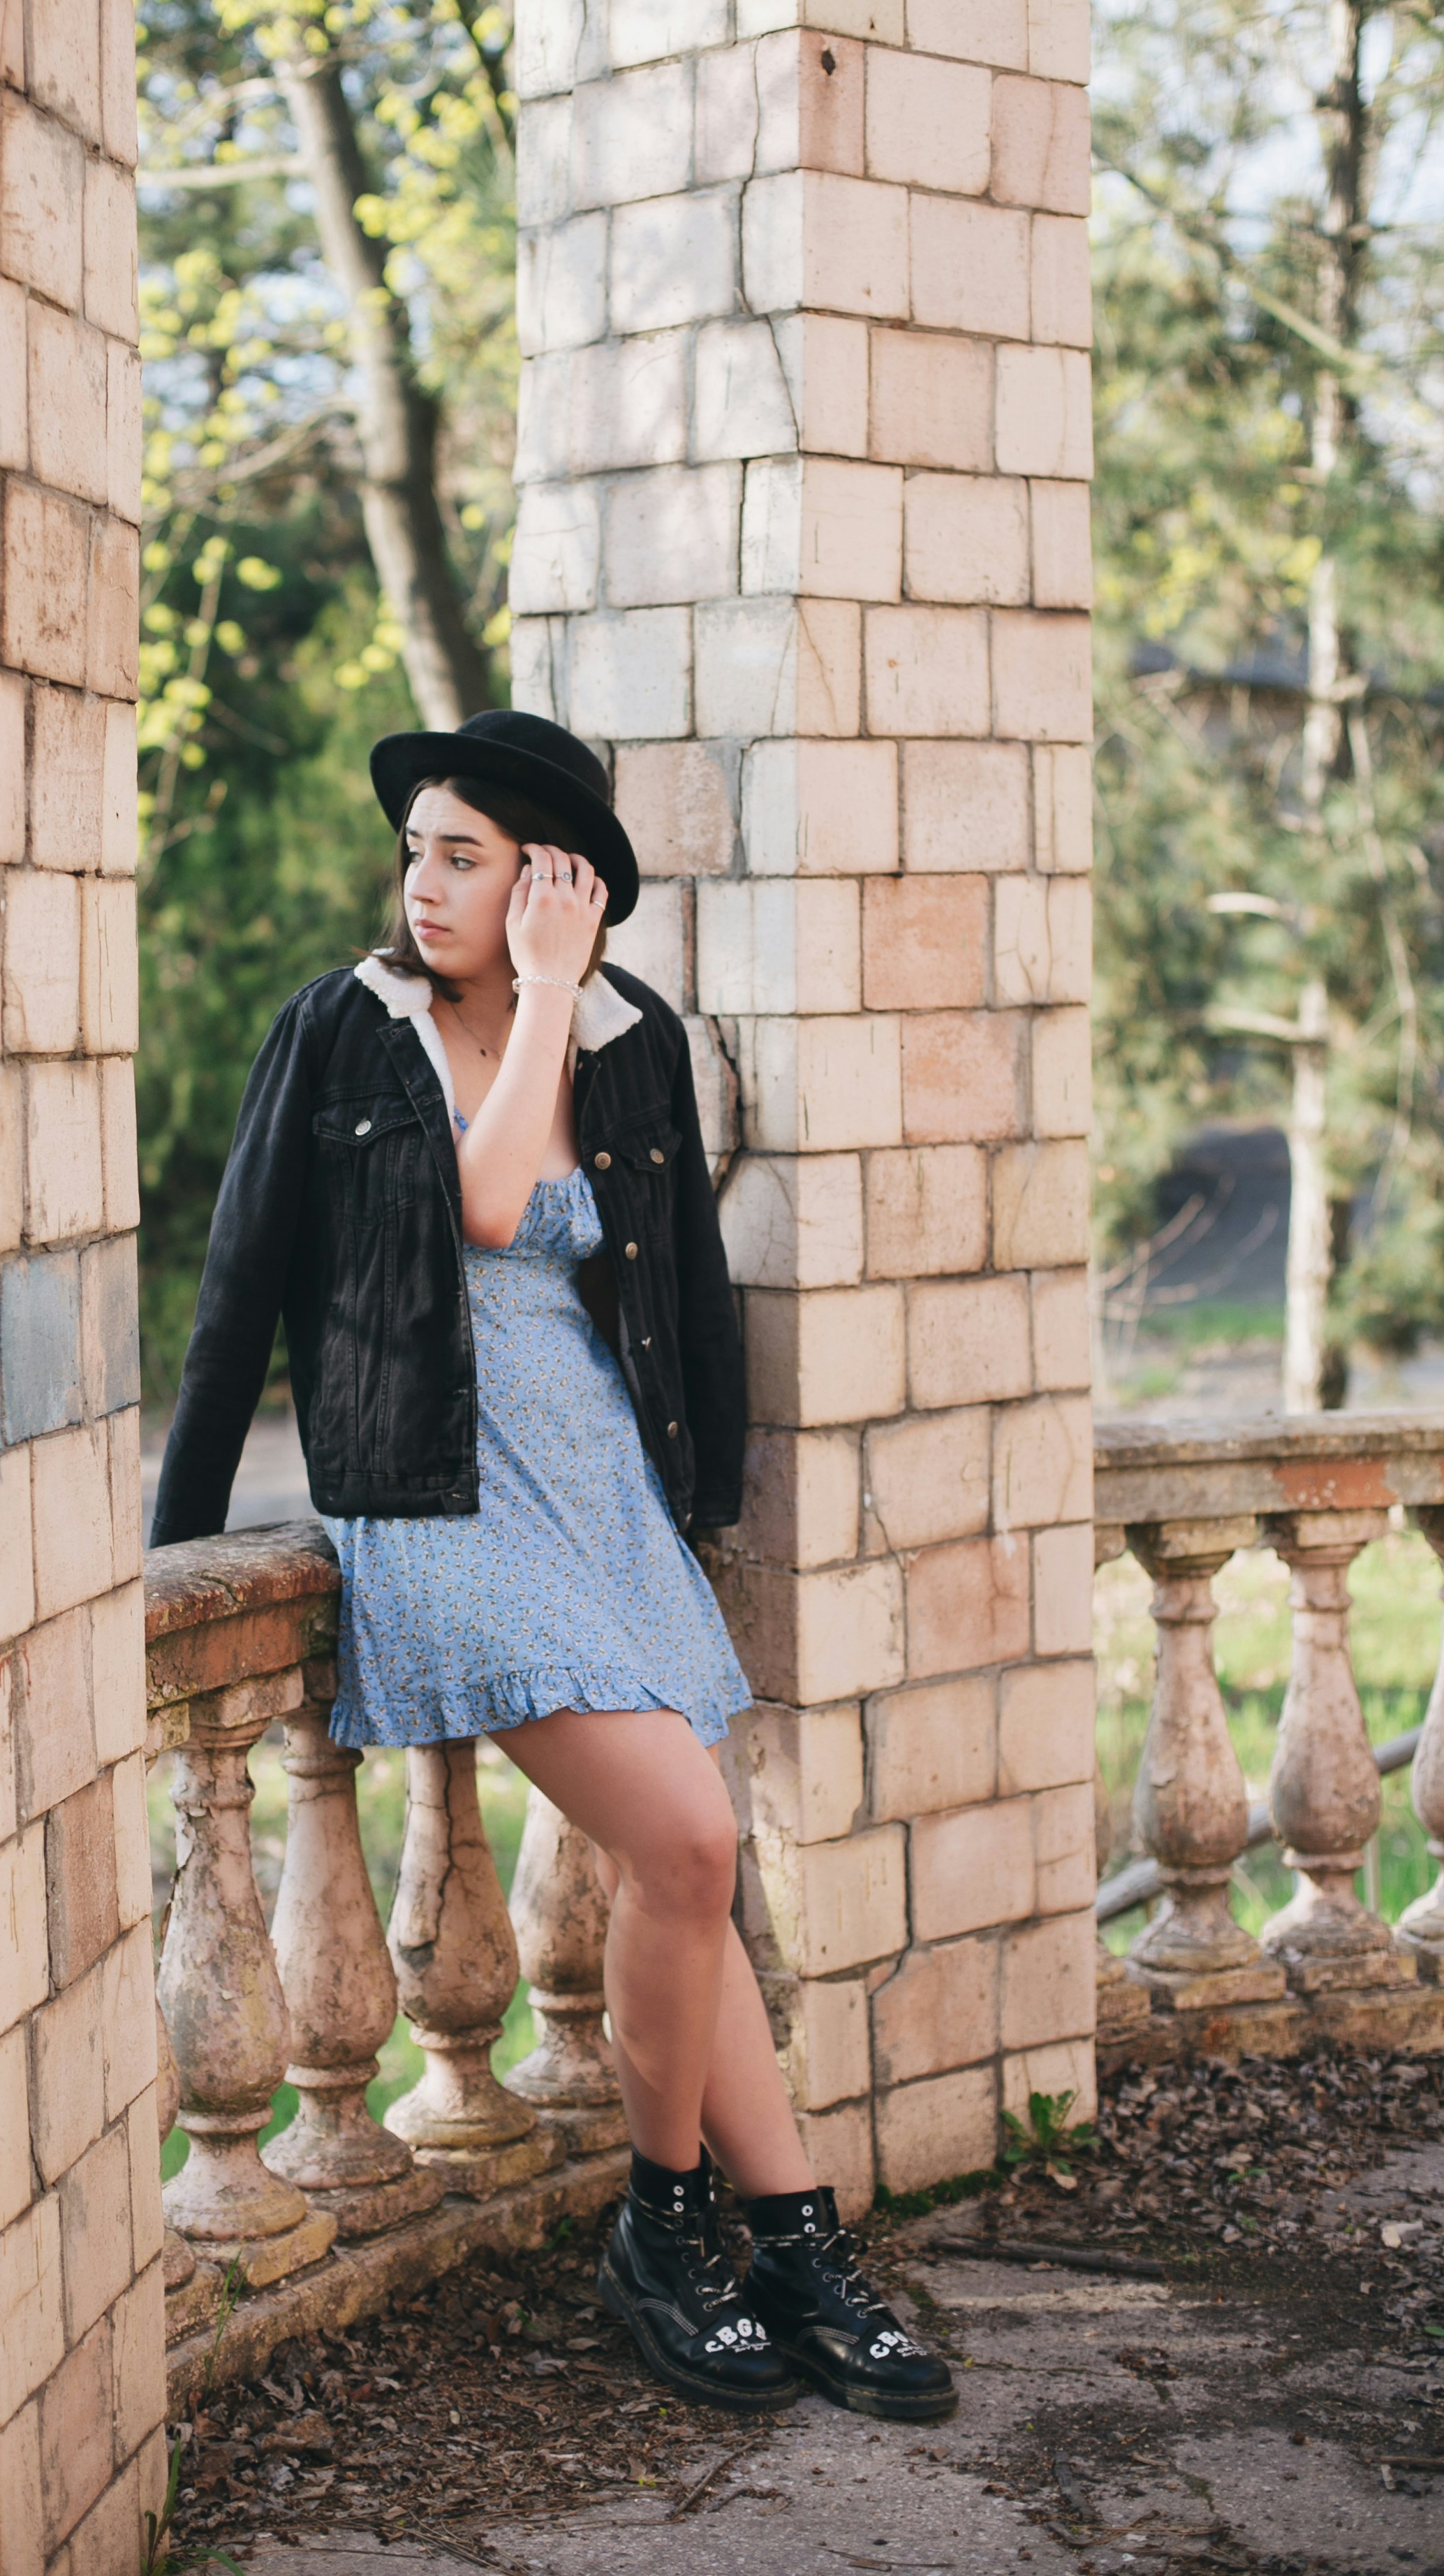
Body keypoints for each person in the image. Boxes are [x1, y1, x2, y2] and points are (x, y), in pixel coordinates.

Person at [152, 709, 955, 2425]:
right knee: (686, 1840)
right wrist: (179, 1545)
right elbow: (438, 1226)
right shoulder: (345, 1031)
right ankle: (664, 2236)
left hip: (601, 1495)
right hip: (435, 1500)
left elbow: (676, 1296)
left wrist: (695, 1509)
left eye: (465, 854)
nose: (423, 881)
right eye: (419, 851)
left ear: (552, 884)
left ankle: (793, 2240)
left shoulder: (630, 1038)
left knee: (689, 1873)